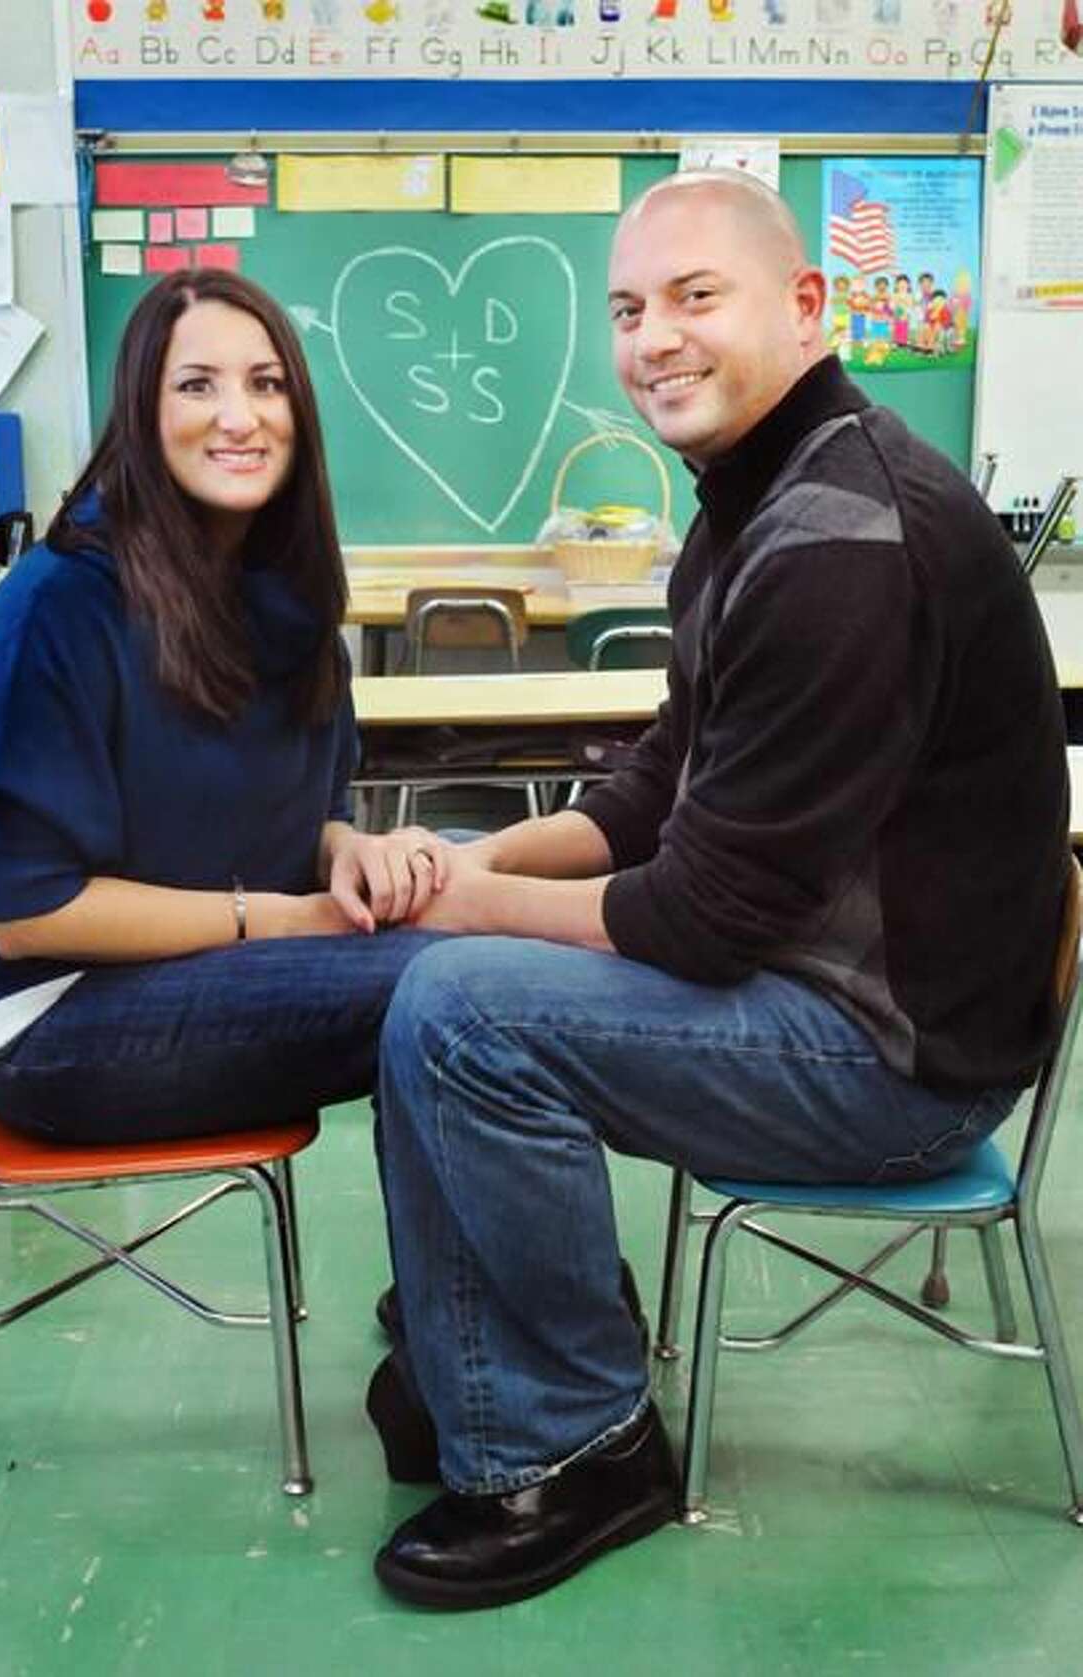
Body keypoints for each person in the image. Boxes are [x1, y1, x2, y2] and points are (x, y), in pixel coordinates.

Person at [367, 170, 1070, 1609]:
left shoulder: (842, 538)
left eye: (697, 297)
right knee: (439, 974)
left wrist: (464, 909)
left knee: (458, 1010)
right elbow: (653, 786)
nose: (653, 341)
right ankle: (476, 1360)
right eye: (629, 310)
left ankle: (582, 1438)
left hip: (895, 1059)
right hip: (820, 987)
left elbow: (698, 916)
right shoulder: (753, 501)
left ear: (806, 307)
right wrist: (479, 860)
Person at [0, 269, 447, 1144]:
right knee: (457, 982)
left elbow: (306, 815)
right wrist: (283, 920)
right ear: (142, 410)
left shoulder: (279, 589)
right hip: (48, 1013)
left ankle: (458, 1289)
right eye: (197, 385)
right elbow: (28, 914)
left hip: (200, 954)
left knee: (462, 885)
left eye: (266, 384)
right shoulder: (58, 605)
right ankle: (500, 1290)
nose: (239, 417)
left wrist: (354, 849)